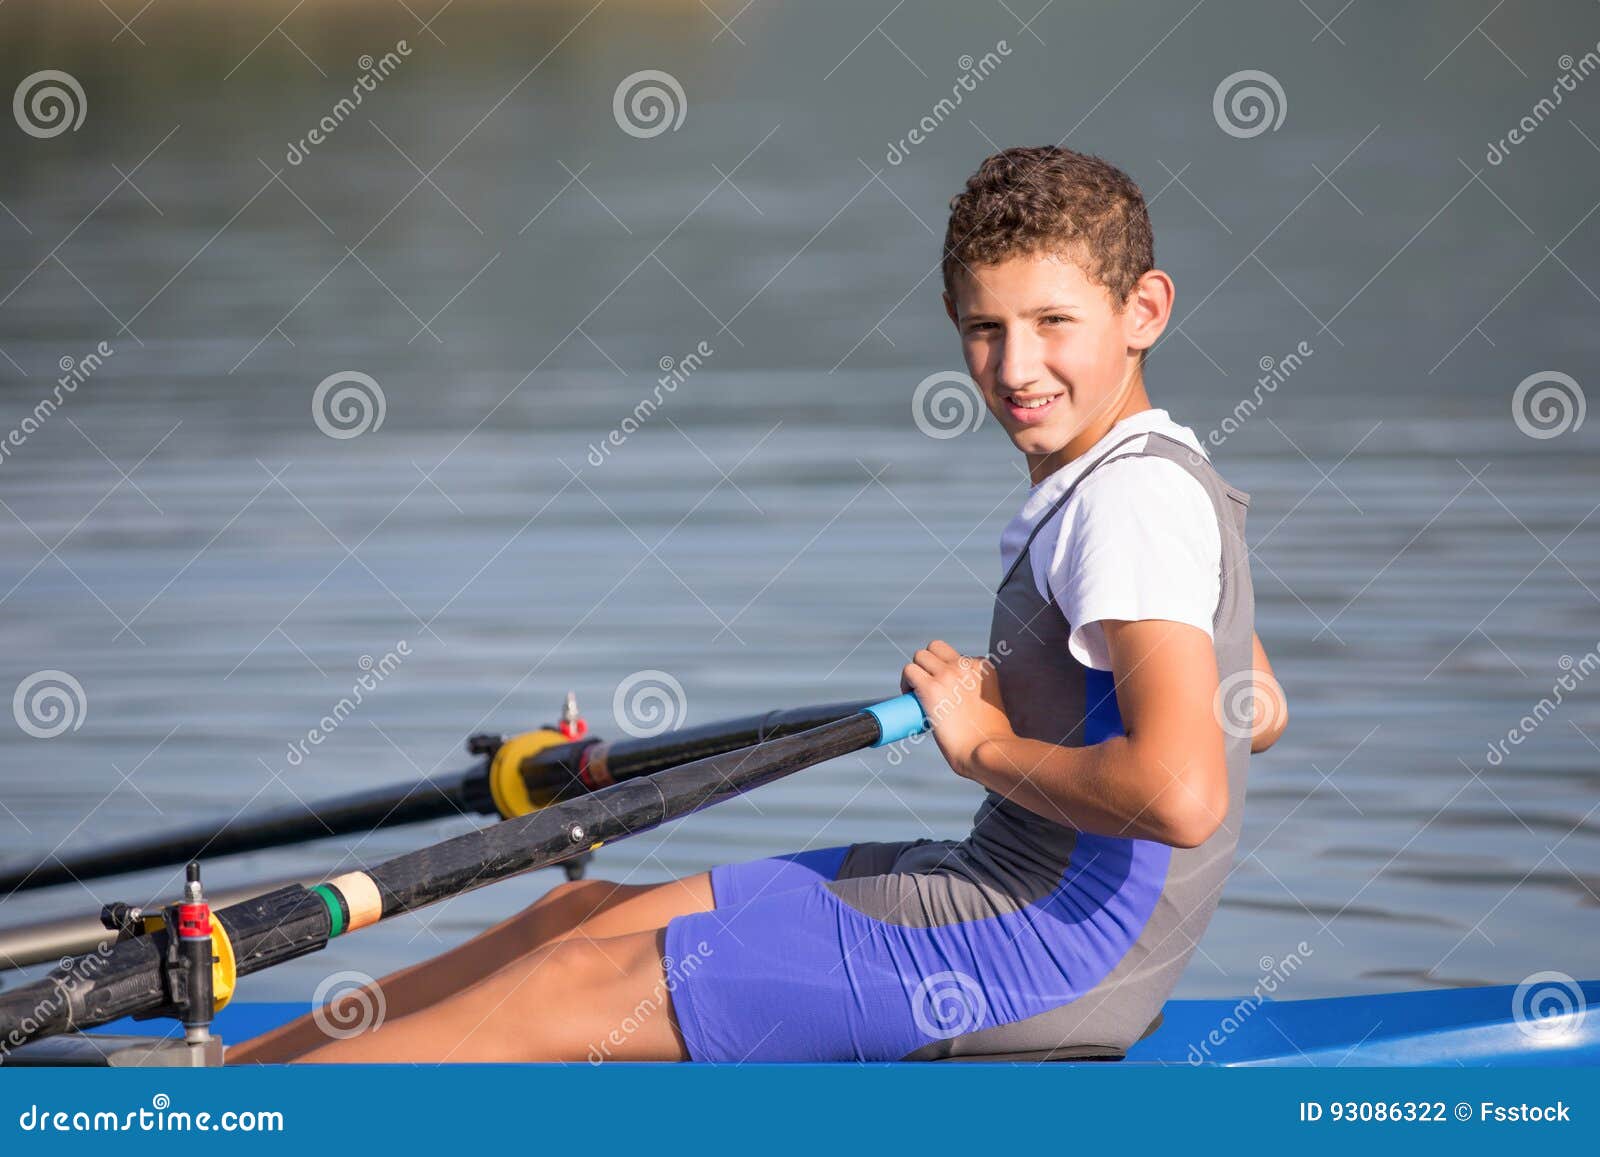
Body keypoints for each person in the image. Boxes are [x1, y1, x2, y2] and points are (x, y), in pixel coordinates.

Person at [229, 145, 1287, 1065]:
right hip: (998, 890)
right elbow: (1256, 707)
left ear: (1142, 308)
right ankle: (207, 1090)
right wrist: (1058, 690)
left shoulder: (1130, 500)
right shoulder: (1157, 472)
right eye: (984, 327)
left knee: (559, 993)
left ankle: (214, 1124)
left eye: (1053, 321)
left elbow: (1183, 794)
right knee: (568, 914)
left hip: (1046, 958)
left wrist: (985, 745)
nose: (1015, 367)